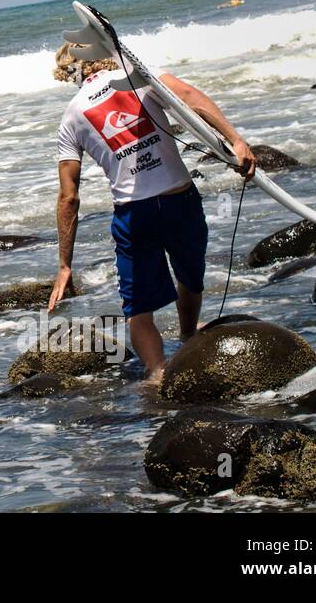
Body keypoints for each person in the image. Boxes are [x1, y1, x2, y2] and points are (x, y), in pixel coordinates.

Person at [48, 45, 255, 381]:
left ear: (68, 73)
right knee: (190, 276)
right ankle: (188, 334)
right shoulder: (139, 77)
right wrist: (236, 140)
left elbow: (68, 197)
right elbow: (188, 95)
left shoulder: (71, 117)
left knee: (138, 310)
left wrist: (65, 265)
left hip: (134, 216)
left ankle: (157, 374)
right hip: (180, 201)